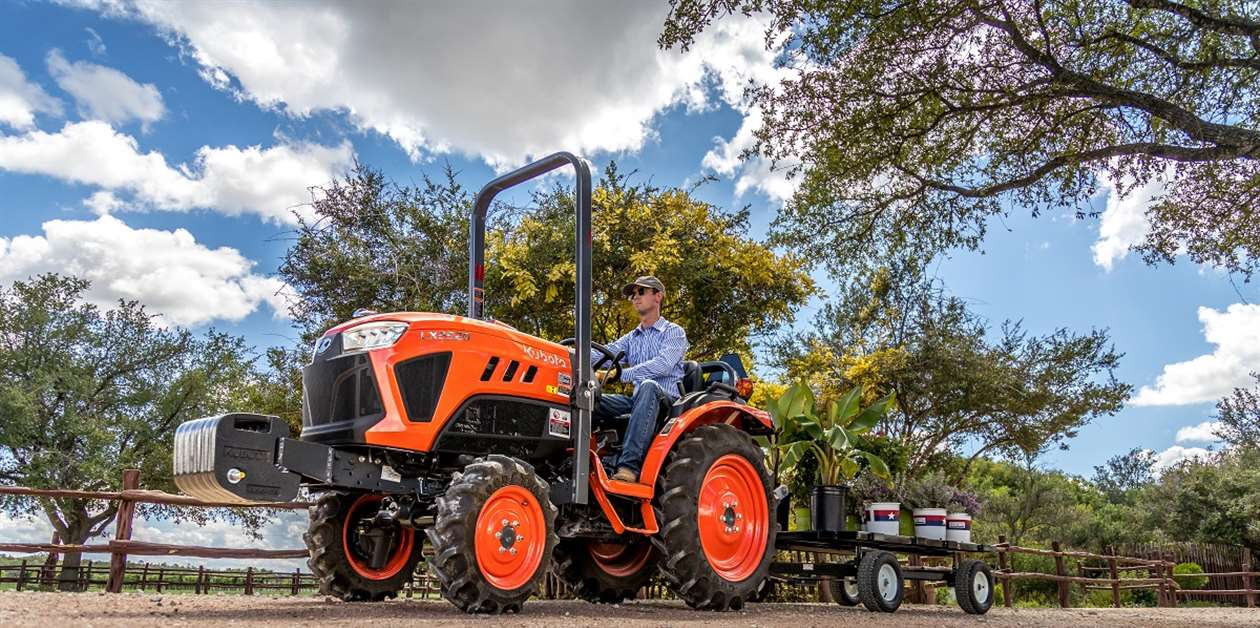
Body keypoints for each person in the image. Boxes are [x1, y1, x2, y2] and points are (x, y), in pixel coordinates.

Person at [593, 276, 688, 483]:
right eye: (633, 295)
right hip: (638, 402)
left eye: (641, 292)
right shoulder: (631, 338)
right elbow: (605, 354)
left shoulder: (674, 333)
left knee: (648, 386)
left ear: (658, 296)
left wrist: (620, 375)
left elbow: (662, 365)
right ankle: (581, 462)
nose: (635, 297)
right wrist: (565, 352)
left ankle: (629, 467)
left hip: (667, 402)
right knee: (589, 397)